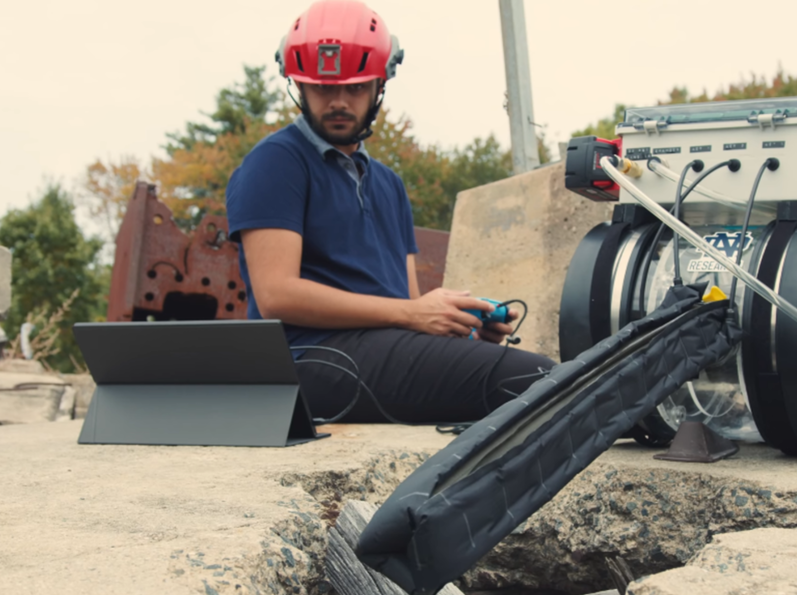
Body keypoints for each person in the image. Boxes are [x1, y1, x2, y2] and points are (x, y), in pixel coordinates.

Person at [225, 0, 555, 425]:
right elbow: (276, 296)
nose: (339, 101)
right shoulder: (276, 162)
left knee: (540, 380)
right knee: (538, 380)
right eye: (324, 88)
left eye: (356, 87)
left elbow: (405, 304)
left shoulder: (389, 184)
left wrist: (463, 327)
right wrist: (412, 314)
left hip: (379, 350)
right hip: (309, 360)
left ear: (381, 84)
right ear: (299, 86)